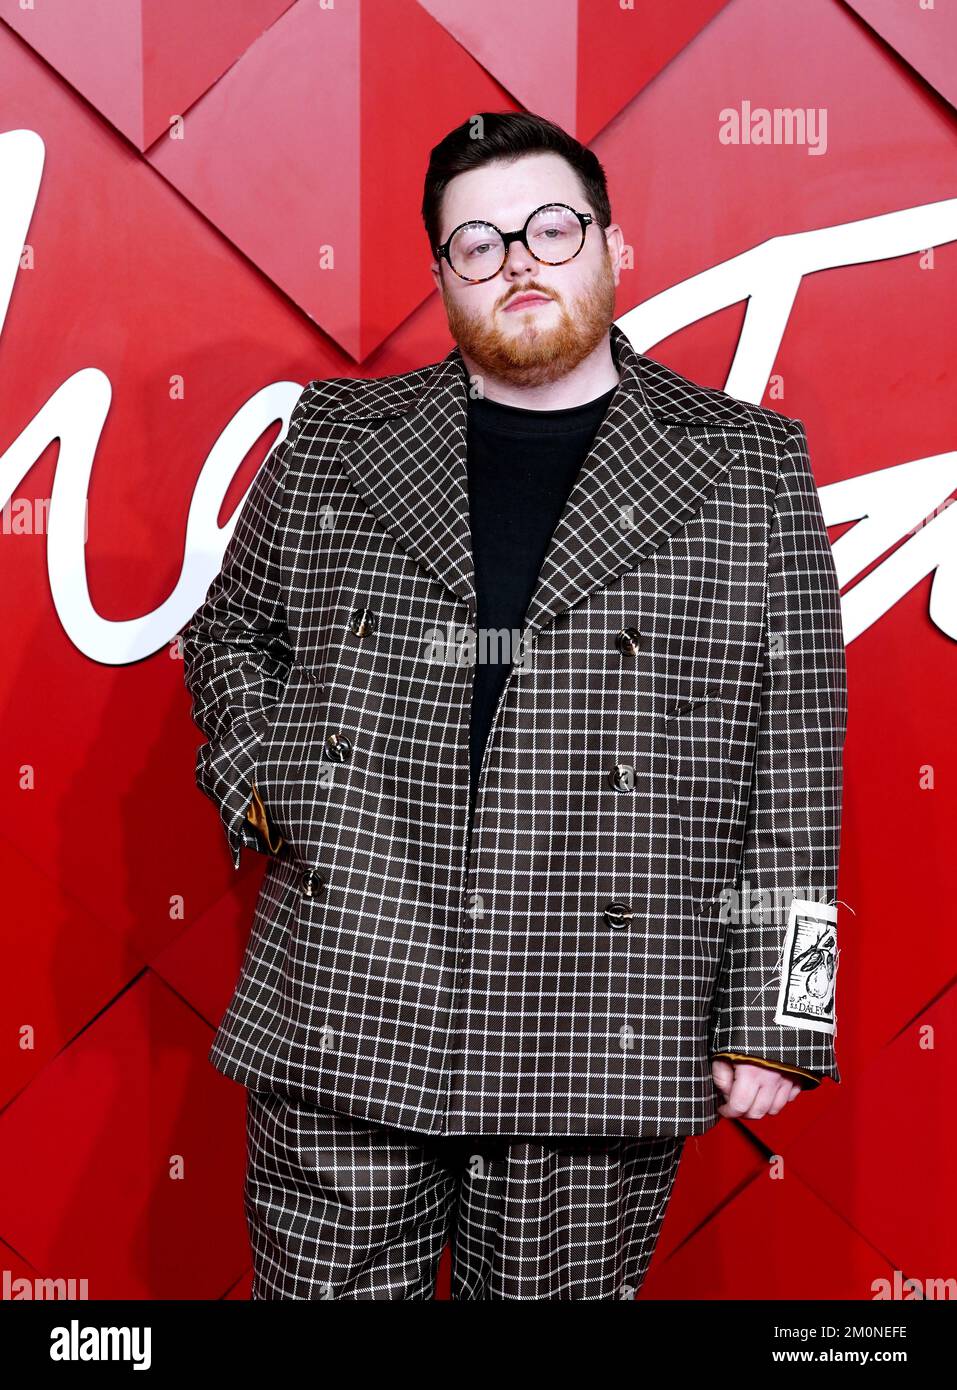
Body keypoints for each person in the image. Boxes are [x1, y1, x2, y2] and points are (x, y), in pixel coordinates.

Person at [182, 111, 848, 1300]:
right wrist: (273, 787)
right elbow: (230, 630)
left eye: (551, 227)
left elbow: (796, 755)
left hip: (603, 1015)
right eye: (478, 243)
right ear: (443, 274)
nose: (521, 260)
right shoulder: (338, 437)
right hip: (352, 985)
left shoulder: (748, 462)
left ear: (611, 245)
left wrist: (784, 1017)